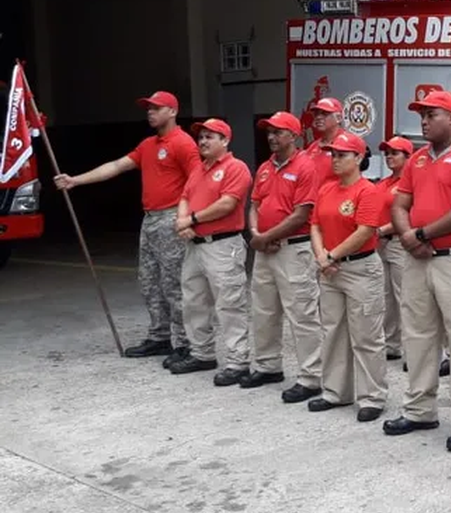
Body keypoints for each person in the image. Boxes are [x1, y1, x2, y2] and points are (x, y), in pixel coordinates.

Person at [381, 89, 451, 453]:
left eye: (431, 115)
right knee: (419, 335)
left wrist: (423, 233)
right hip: (420, 259)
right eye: (422, 115)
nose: (424, 121)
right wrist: (408, 235)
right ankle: (419, 409)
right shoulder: (416, 161)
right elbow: (400, 203)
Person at [52, 91, 200, 364]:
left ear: (172, 112)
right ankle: (160, 336)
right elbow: (117, 166)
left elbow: (197, 182)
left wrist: (189, 219)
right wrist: (75, 181)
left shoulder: (183, 144)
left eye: (156, 108)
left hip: (171, 218)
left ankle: (186, 342)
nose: (150, 112)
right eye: (148, 108)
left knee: (174, 284)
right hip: (151, 219)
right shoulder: (148, 145)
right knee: (150, 281)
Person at [308, 131, 389, 422]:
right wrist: (322, 257)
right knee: (333, 331)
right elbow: (315, 225)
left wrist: (331, 256)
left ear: (358, 158)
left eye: (342, 155)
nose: (335, 160)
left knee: (366, 335)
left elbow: (365, 230)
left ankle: (372, 396)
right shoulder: (327, 189)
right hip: (330, 268)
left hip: (359, 270)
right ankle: (335, 391)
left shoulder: (368, 191)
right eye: (333, 154)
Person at [243, 111, 323, 403]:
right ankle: (267, 365)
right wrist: (255, 231)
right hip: (266, 248)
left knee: (301, 314)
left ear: (294, 135)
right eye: (268, 132)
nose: (271, 137)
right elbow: (254, 204)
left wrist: (265, 237)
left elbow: (301, 213)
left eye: (278, 132)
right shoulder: (265, 167)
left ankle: (311, 377)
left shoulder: (306, 167)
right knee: (264, 309)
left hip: (294, 248)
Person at [167, 118, 254, 386]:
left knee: (229, 303)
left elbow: (227, 204)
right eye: (201, 136)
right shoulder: (198, 169)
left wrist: (190, 220)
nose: (203, 141)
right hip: (196, 245)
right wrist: (182, 223)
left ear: (225, 141)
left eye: (210, 137)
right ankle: (202, 353)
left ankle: (238, 361)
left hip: (223, 244)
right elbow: (184, 197)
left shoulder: (235, 168)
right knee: (194, 301)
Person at [375, 135, 414, 363]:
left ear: (408, 157)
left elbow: (408, 214)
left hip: (400, 243)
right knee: (387, 297)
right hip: (383, 244)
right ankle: (392, 344)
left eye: (395, 153)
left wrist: (381, 230)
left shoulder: (410, 184)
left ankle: (411, 351)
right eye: (387, 153)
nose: (389, 157)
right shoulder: (384, 183)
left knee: (404, 298)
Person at [305, 97, 344, 185]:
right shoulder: (312, 147)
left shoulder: (347, 144)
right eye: (316, 114)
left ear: (338, 118)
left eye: (324, 113)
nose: (318, 117)